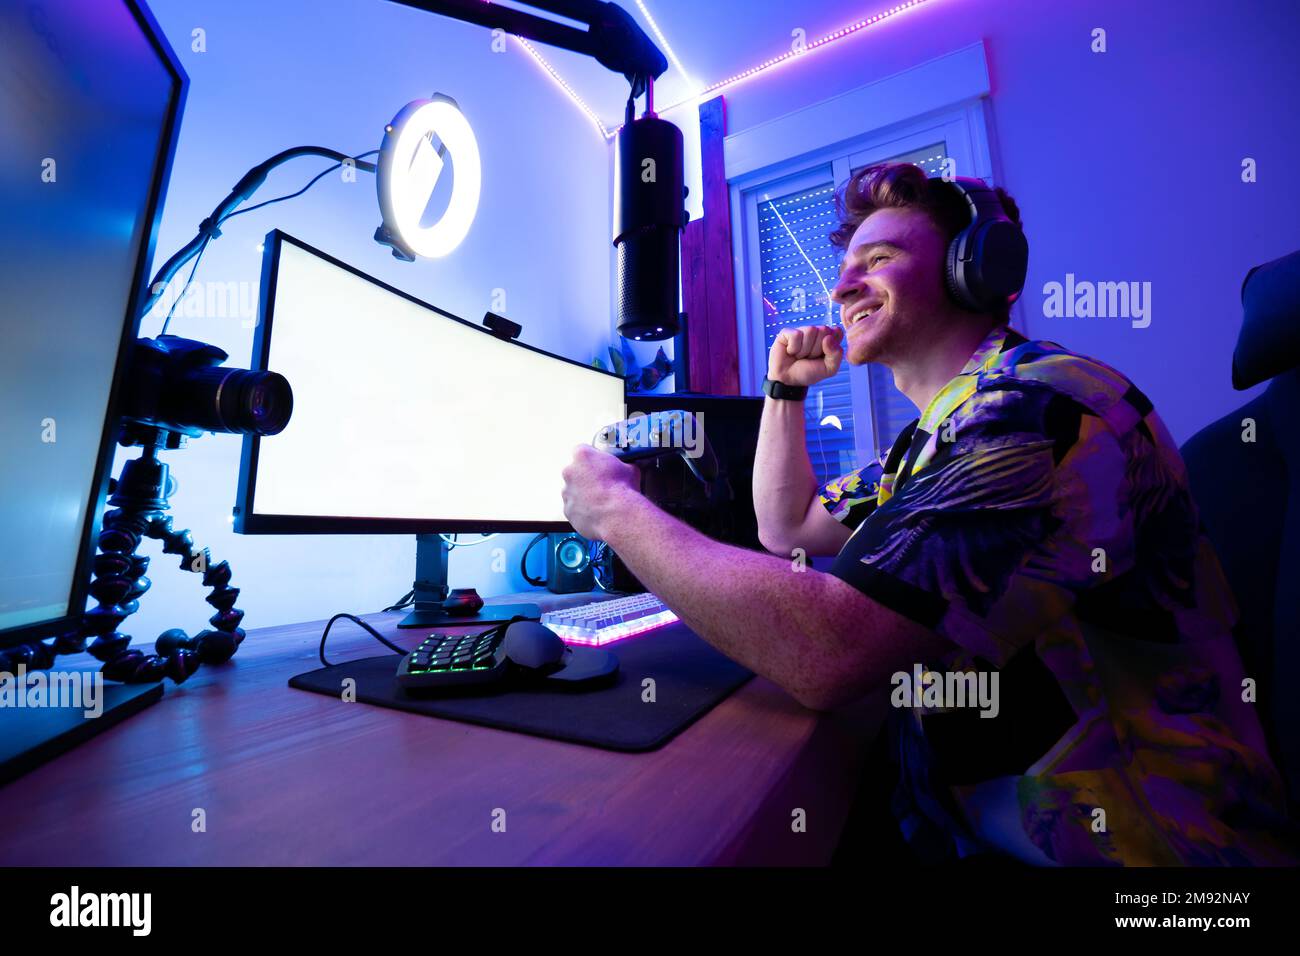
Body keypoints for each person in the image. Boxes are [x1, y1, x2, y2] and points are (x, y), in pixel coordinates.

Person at [560, 162, 1295, 865]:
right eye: (848, 263)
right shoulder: (937, 442)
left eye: (878, 258)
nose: (844, 283)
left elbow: (827, 652)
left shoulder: (1038, 413)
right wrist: (785, 390)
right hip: (974, 827)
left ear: (977, 268)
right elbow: (789, 528)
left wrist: (616, 512)